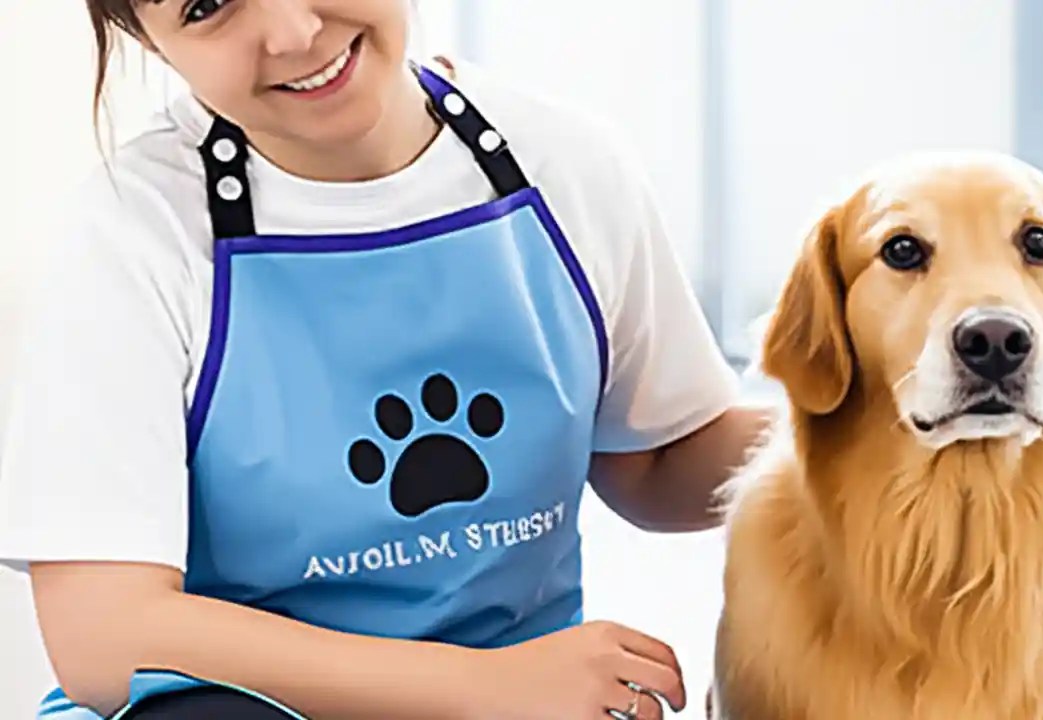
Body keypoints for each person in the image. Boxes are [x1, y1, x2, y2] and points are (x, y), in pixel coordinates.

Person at [0, 1, 770, 718]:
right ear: (147, 39)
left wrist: (867, 421)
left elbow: (658, 464)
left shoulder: (567, 162)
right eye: (206, 5)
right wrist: (483, 686)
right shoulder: (130, 233)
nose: (295, 30)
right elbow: (104, 635)